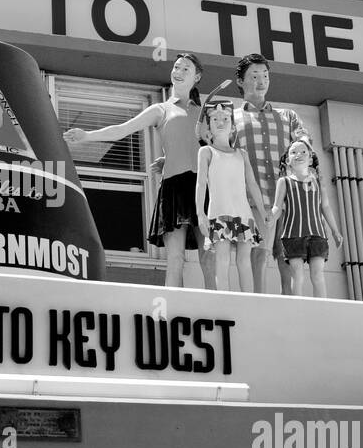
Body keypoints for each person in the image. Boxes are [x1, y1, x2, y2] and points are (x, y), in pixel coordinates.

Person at [64, 53, 215, 288]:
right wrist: (87, 136)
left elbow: (214, 148)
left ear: (197, 77)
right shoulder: (161, 109)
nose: (178, 71)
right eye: (176, 67)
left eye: (186, 69)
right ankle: (172, 312)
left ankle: (217, 311)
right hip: (174, 187)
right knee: (175, 259)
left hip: (202, 187)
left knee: (209, 255)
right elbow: (122, 129)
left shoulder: (206, 112)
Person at [225, 53, 312, 294]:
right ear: (241, 81)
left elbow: (304, 140)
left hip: (288, 199)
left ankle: (293, 306)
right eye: (254, 75)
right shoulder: (232, 117)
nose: (261, 81)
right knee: (258, 254)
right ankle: (258, 301)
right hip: (253, 198)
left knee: (289, 258)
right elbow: (219, 149)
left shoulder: (287, 116)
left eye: (265, 75)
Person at [195, 103, 268, 292]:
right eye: (215, 119)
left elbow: (252, 184)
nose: (220, 122)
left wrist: (263, 211)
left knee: (244, 260)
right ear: (208, 127)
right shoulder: (206, 152)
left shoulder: (241, 154)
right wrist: (200, 214)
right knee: (222, 259)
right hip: (220, 212)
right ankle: (224, 300)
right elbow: (201, 183)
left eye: (226, 119)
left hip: (243, 213)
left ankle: (249, 300)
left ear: (233, 127)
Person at [270, 138, 343, 298]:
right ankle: (298, 307)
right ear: (288, 160)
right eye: (294, 152)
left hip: (317, 235)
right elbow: (277, 207)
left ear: (310, 158)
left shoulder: (318, 182)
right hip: (292, 235)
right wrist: (270, 217)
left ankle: (321, 308)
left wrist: (335, 231)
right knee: (297, 275)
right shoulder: (284, 182)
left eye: (303, 151)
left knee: (317, 274)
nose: (299, 155)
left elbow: (325, 207)